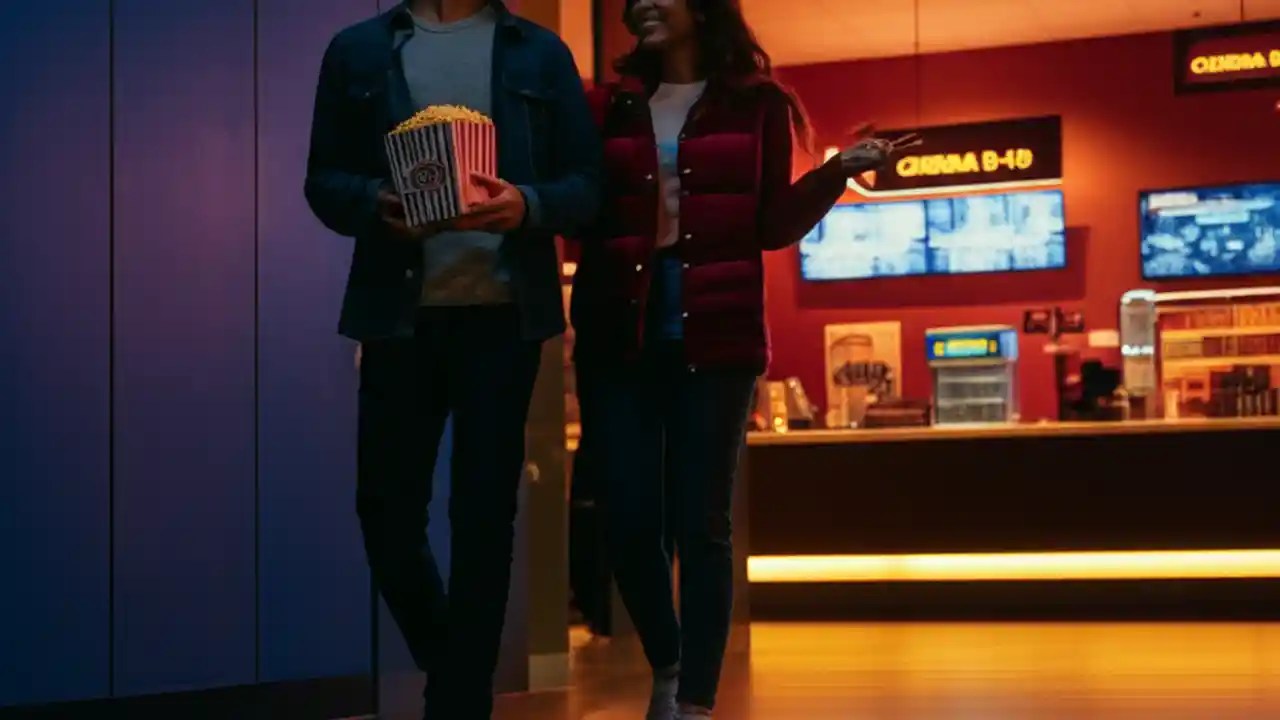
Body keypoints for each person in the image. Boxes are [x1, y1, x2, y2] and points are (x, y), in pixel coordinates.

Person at [570, 1, 915, 718]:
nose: (640, 4)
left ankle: (694, 700)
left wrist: (835, 174)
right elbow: (581, 212)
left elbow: (772, 224)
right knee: (626, 519)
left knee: (702, 524)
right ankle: (668, 664)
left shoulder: (756, 105)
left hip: (718, 334)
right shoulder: (607, 105)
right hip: (617, 332)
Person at [304, 0, 600, 717]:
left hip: (504, 316)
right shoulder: (357, 49)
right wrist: (376, 201)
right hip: (398, 318)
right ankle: (458, 681)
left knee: (483, 515)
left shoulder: (539, 52)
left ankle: (459, 703)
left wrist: (527, 205)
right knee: (385, 513)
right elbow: (323, 180)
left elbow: (587, 186)